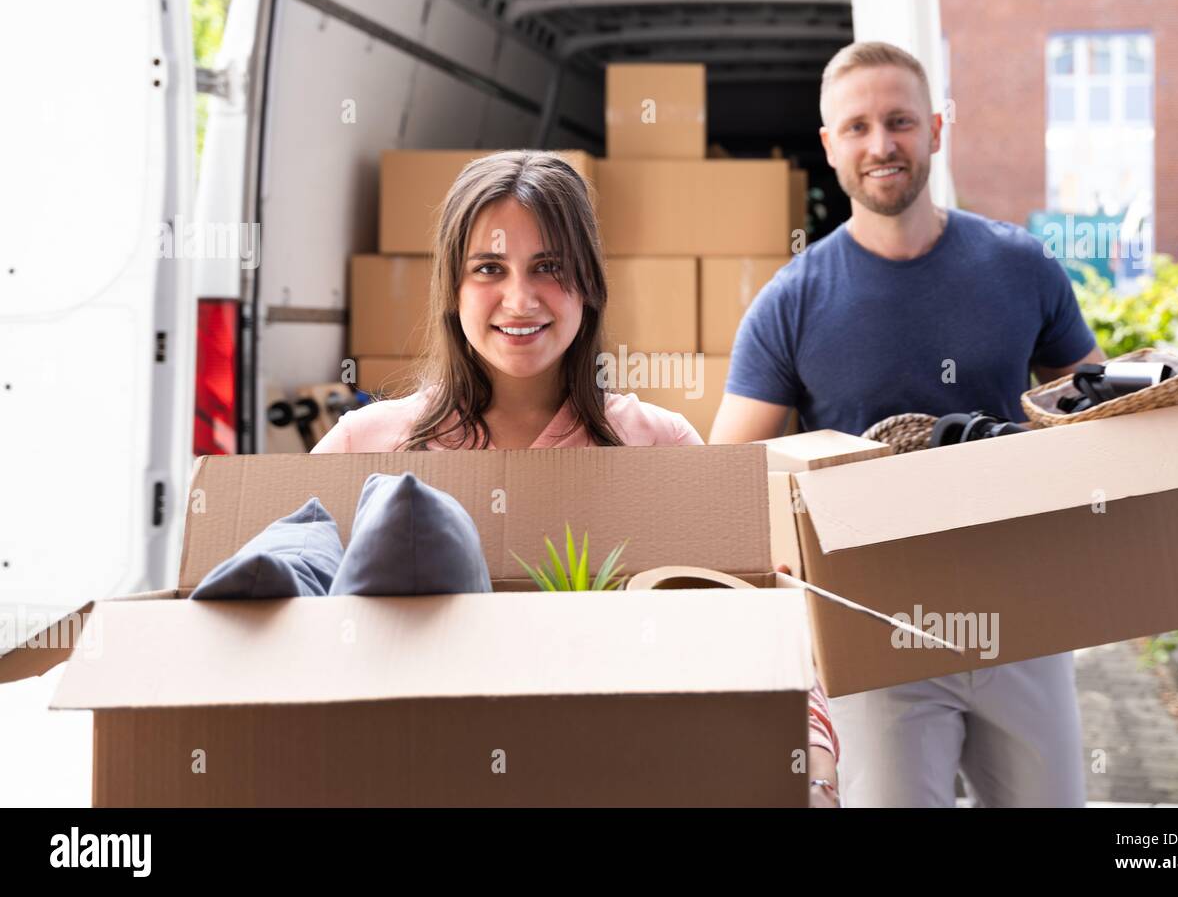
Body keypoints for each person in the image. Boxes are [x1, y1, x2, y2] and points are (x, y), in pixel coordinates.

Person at [313, 150, 841, 806]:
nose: (519, 298)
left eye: (548, 268)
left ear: (588, 283)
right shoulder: (367, 449)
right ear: (452, 287)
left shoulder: (659, 446)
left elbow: (762, 637)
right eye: (488, 269)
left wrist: (814, 766)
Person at [709, 42, 1105, 807]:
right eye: (856, 127)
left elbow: (1094, 412)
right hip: (874, 631)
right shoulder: (791, 303)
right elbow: (730, 474)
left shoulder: (1021, 267)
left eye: (900, 121)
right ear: (829, 146)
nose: (881, 144)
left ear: (937, 129)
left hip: (1023, 613)